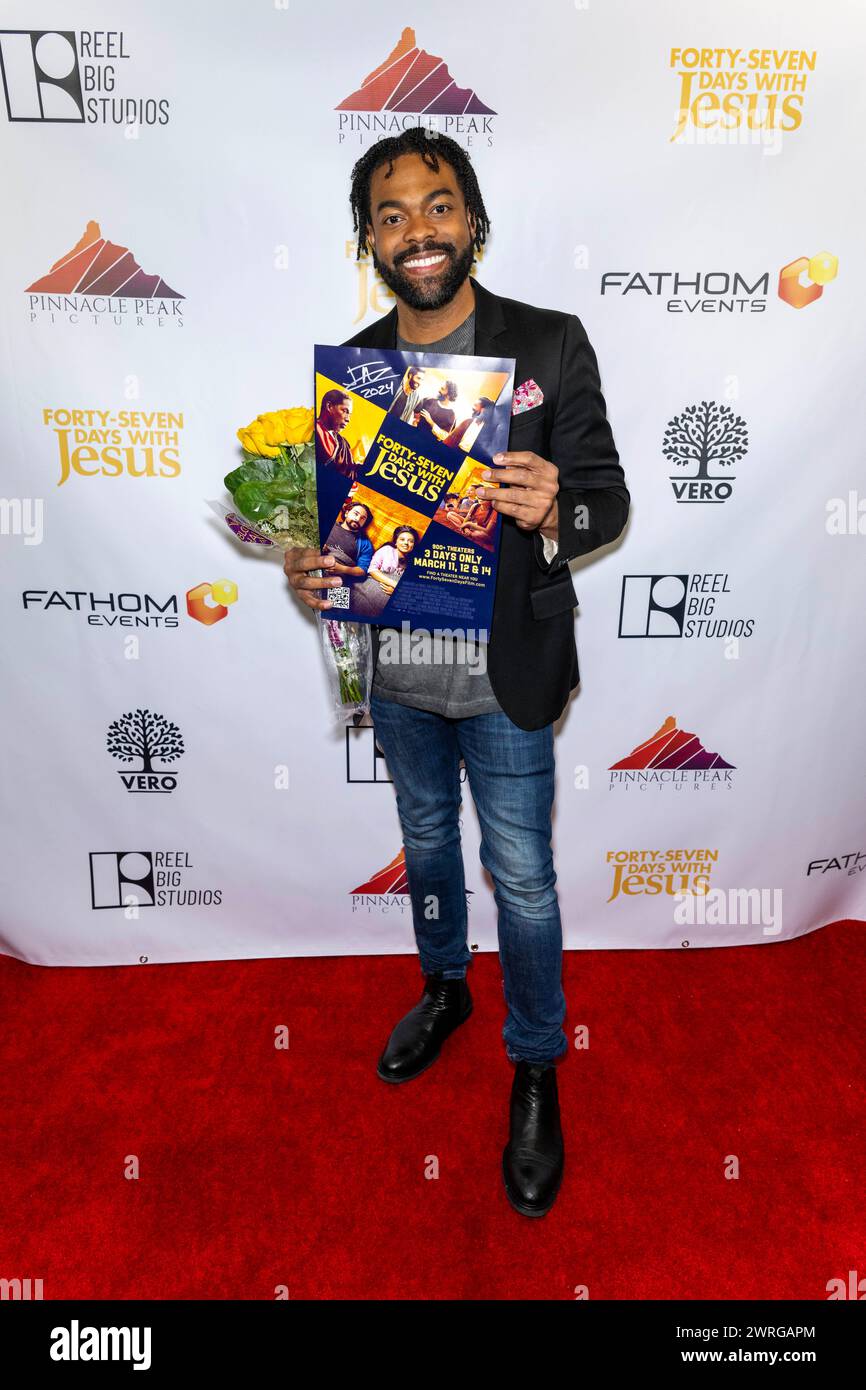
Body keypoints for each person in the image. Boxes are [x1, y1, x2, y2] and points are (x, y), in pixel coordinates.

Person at [284, 127, 630, 1218]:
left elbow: (606, 497)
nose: (416, 232)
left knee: (521, 876)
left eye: (436, 206)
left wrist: (550, 509)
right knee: (428, 845)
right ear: (368, 241)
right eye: (390, 216)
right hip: (399, 675)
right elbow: (351, 535)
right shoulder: (356, 372)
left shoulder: (548, 343)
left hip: (506, 675)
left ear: (470, 218)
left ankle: (535, 1060)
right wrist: (316, 568)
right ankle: (444, 988)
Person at [350, 525, 419, 617]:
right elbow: (372, 570)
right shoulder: (386, 550)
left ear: (413, 545)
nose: (406, 543)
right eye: (402, 539)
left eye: (410, 541)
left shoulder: (414, 563)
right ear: (396, 542)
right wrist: (395, 584)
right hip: (366, 593)